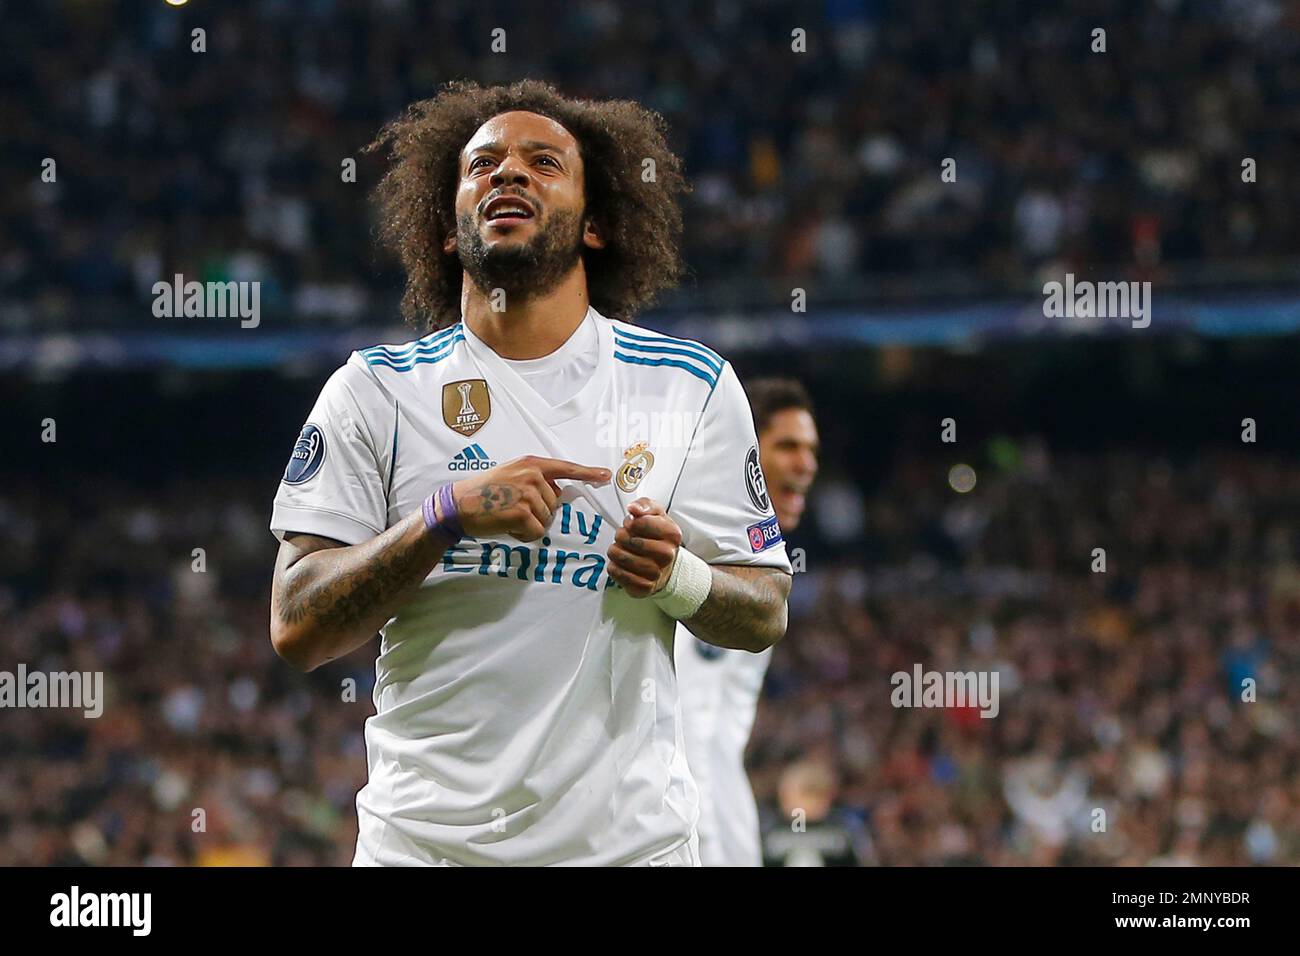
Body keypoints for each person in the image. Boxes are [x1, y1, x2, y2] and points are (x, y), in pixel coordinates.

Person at [266, 79, 792, 866]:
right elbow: (296, 625)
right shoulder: (373, 390)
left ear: (599, 224)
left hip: (628, 852)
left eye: (543, 162)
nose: (507, 174)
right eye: (482, 165)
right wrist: (442, 516)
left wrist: (676, 576)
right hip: (422, 851)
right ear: (448, 230)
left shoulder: (689, 385)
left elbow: (765, 608)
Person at [674, 378, 820, 865]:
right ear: (747, 454)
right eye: (787, 446)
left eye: (811, 450)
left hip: (719, 820)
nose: (807, 465)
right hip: (693, 834)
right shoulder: (707, 557)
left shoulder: (758, 565)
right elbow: (690, 731)